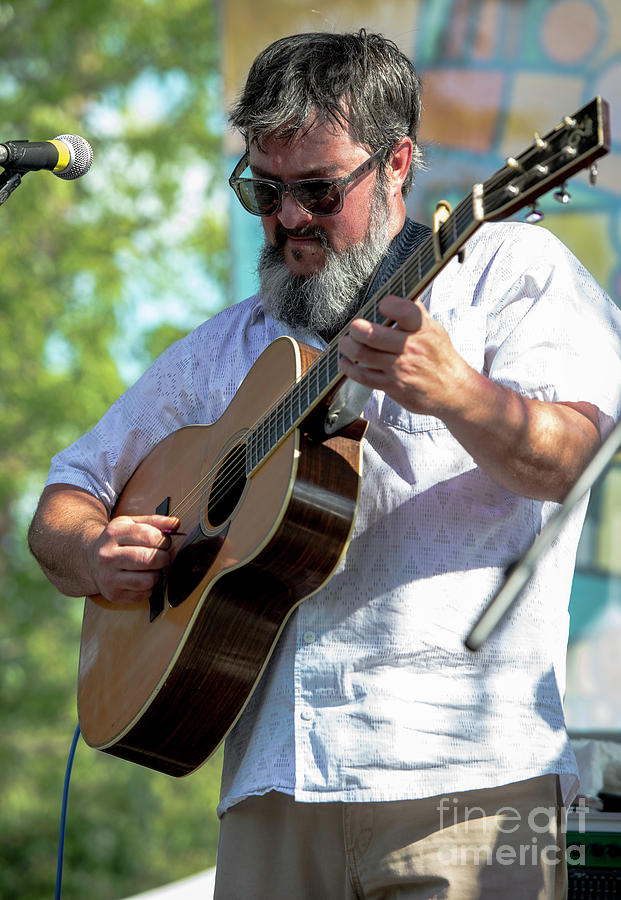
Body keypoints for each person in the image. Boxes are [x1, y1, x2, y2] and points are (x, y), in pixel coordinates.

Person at [28, 29, 621, 900]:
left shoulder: (504, 271)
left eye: (316, 189)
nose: (287, 218)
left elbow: (576, 458)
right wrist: (92, 554)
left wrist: (459, 392)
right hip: (272, 789)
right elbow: (64, 497)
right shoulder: (221, 350)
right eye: (262, 191)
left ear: (396, 163)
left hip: (463, 781)